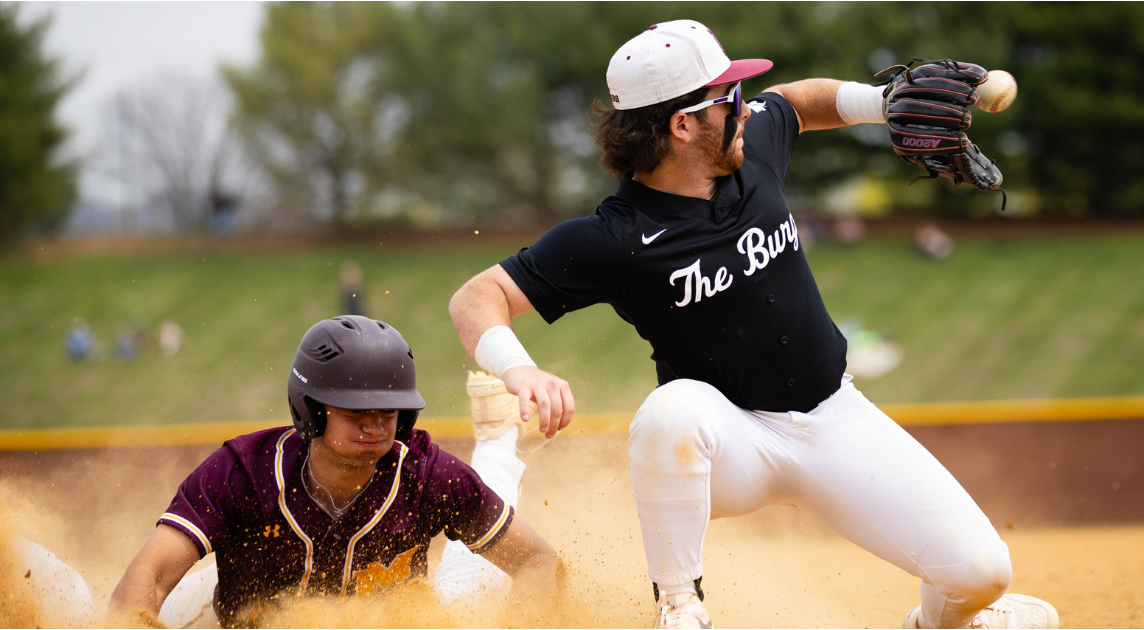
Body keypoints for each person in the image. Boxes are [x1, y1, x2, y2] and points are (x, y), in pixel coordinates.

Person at [447, 19, 1058, 630]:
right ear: (681, 125)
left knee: (982, 574)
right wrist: (518, 367)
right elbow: (477, 297)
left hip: (833, 418)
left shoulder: (751, 152)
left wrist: (882, 102)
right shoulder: (616, 237)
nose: (744, 109)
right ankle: (680, 605)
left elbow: (792, 101)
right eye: (728, 98)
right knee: (672, 410)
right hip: (733, 444)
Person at [108, 316, 558, 628]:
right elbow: (148, 576)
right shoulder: (243, 471)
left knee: (473, 592)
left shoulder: (423, 473)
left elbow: (538, 560)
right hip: (223, 618)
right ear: (311, 411)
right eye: (356, 411)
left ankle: (498, 436)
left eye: (390, 411)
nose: (376, 425)